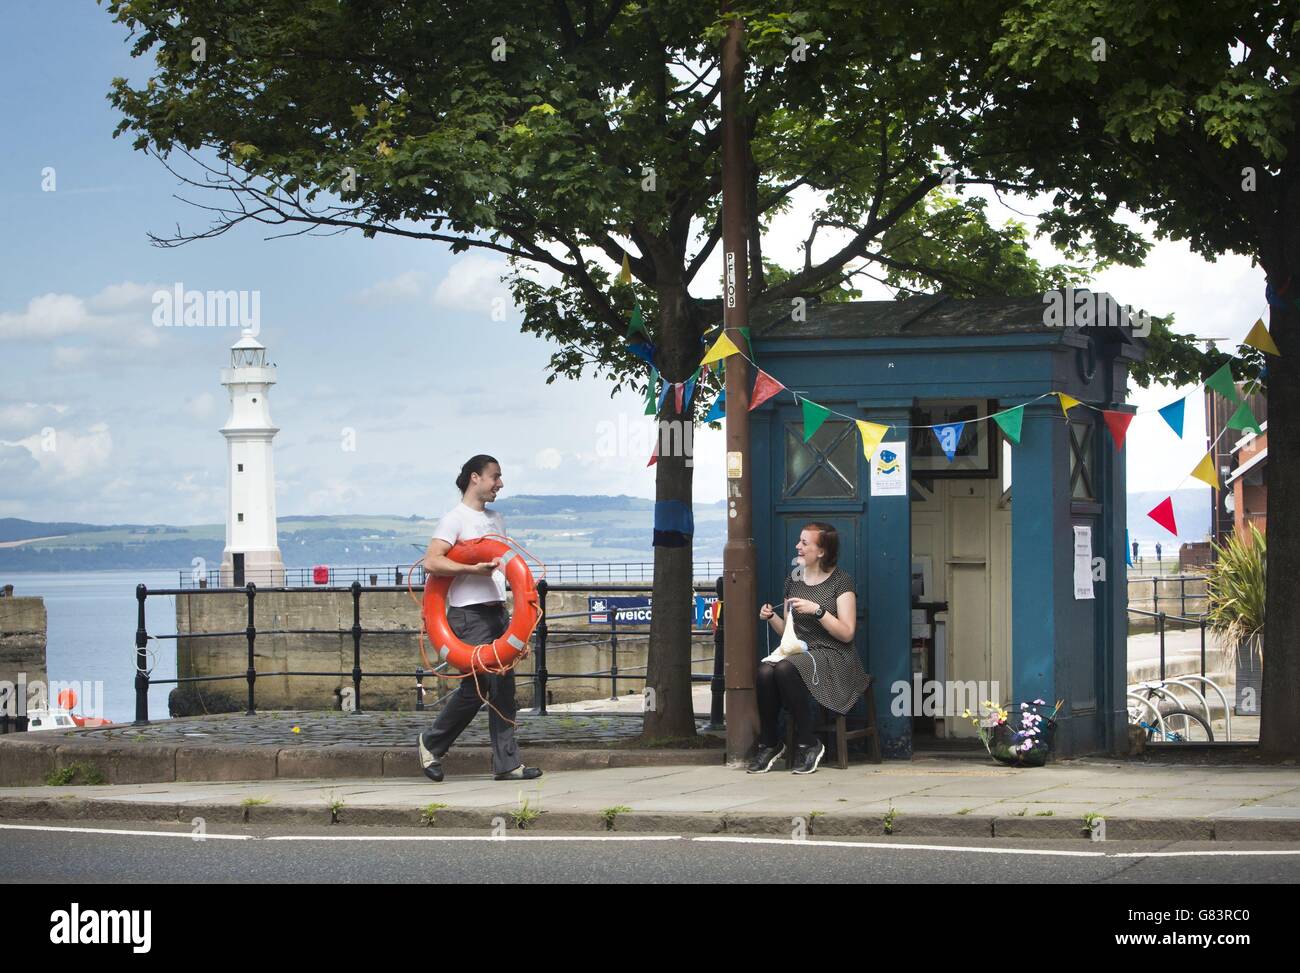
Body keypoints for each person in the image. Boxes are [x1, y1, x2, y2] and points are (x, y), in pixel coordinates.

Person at [416, 455, 542, 783]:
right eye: (494, 477)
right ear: (475, 478)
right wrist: (470, 569)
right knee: (479, 687)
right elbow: (432, 563)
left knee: (504, 688)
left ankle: (507, 764)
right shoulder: (453, 520)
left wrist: (518, 627)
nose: (500, 483)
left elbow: (507, 572)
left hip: (497, 610)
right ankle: (431, 743)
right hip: (467, 614)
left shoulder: (497, 520)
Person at [750, 523, 870, 775]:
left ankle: (808, 742)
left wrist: (818, 611)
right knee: (764, 671)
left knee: (784, 669)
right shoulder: (792, 582)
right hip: (801, 651)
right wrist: (771, 617)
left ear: (822, 551)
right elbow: (788, 634)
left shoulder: (841, 581)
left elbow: (847, 633)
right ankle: (770, 742)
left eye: (805, 543)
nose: (798, 547)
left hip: (835, 654)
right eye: (799, 541)